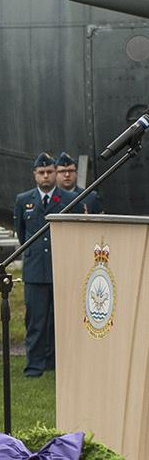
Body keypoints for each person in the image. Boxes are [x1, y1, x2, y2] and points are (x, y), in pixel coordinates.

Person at [13, 152, 77, 377]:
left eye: (50, 172)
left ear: (55, 173)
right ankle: (34, 366)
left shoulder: (69, 200)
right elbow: (22, 233)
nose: (46, 177)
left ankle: (57, 363)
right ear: (35, 175)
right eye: (41, 173)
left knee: (60, 320)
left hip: (61, 268)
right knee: (36, 320)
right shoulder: (24, 200)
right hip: (35, 269)